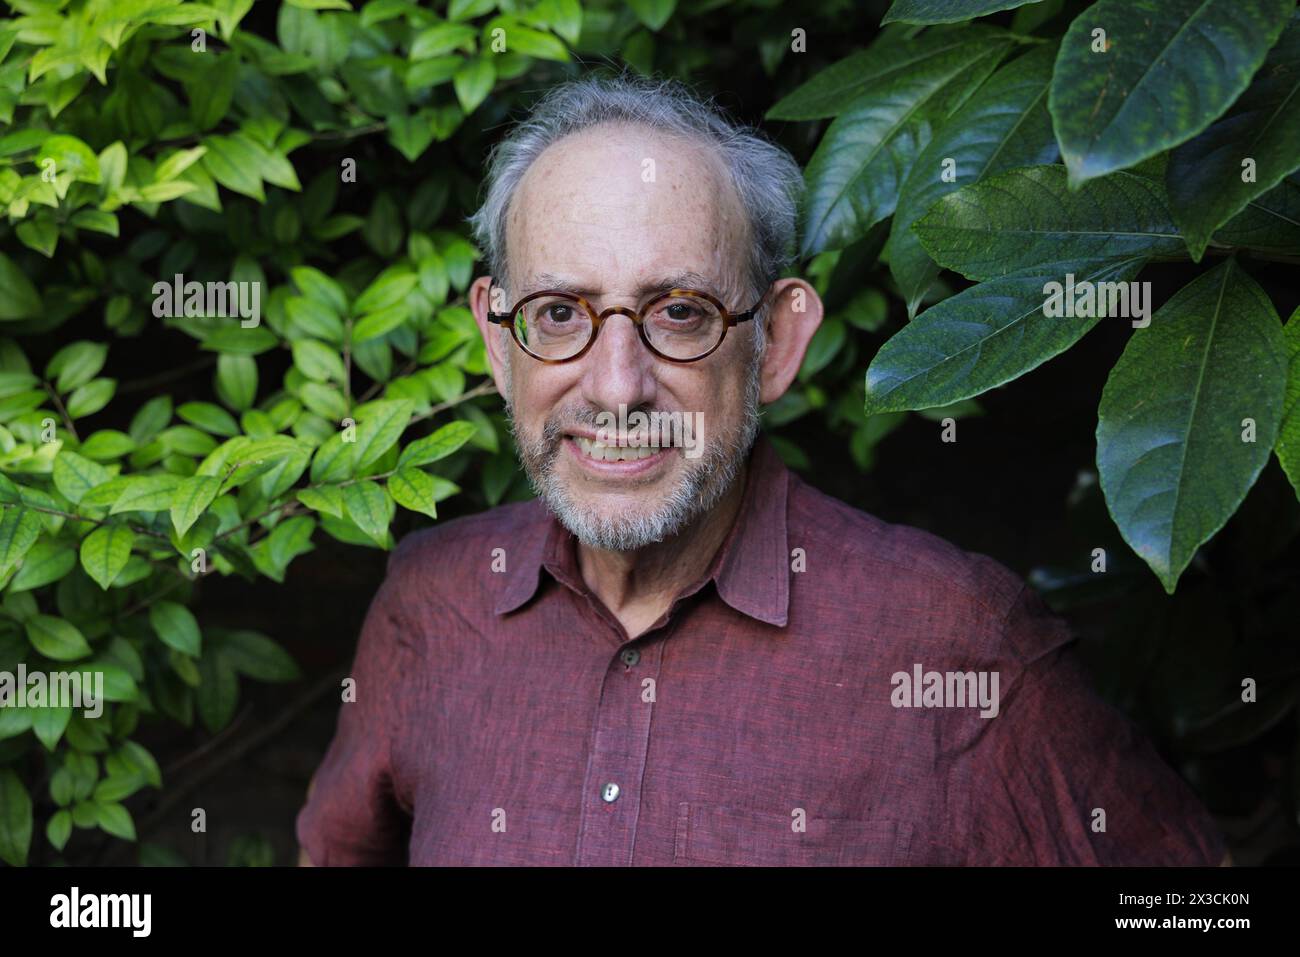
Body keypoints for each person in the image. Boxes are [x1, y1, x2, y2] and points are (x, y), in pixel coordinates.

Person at [296, 71, 1227, 866]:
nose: (618, 388)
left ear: (777, 341)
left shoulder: (957, 640)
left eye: (682, 312)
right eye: (559, 313)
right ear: (501, 345)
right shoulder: (428, 602)